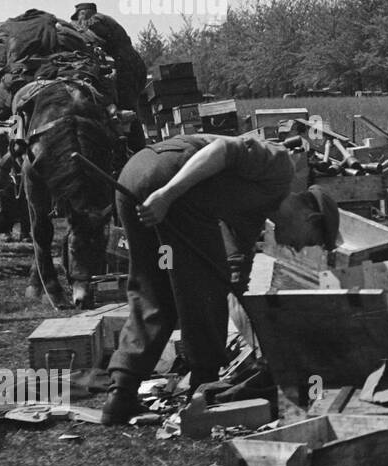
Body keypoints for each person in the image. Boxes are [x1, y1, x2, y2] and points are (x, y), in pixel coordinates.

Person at [101, 132, 339, 426]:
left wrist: (257, 321)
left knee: (153, 288)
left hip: (134, 176)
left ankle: (120, 394)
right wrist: (167, 195)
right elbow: (222, 150)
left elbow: (235, 274)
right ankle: (205, 393)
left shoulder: (252, 216)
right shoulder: (280, 169)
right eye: (308, 241)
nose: (298, 248)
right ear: (310, 218)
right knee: (204, 294)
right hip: (170, 183)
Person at [71, 2, 150, 151]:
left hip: (125, 70)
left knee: (126, 112)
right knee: (129, 110)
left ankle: (132, 150)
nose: (80, 20)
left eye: (81, 16)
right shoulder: (108, 22)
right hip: (133, 67)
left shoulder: (95, 21)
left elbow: (95, 44)